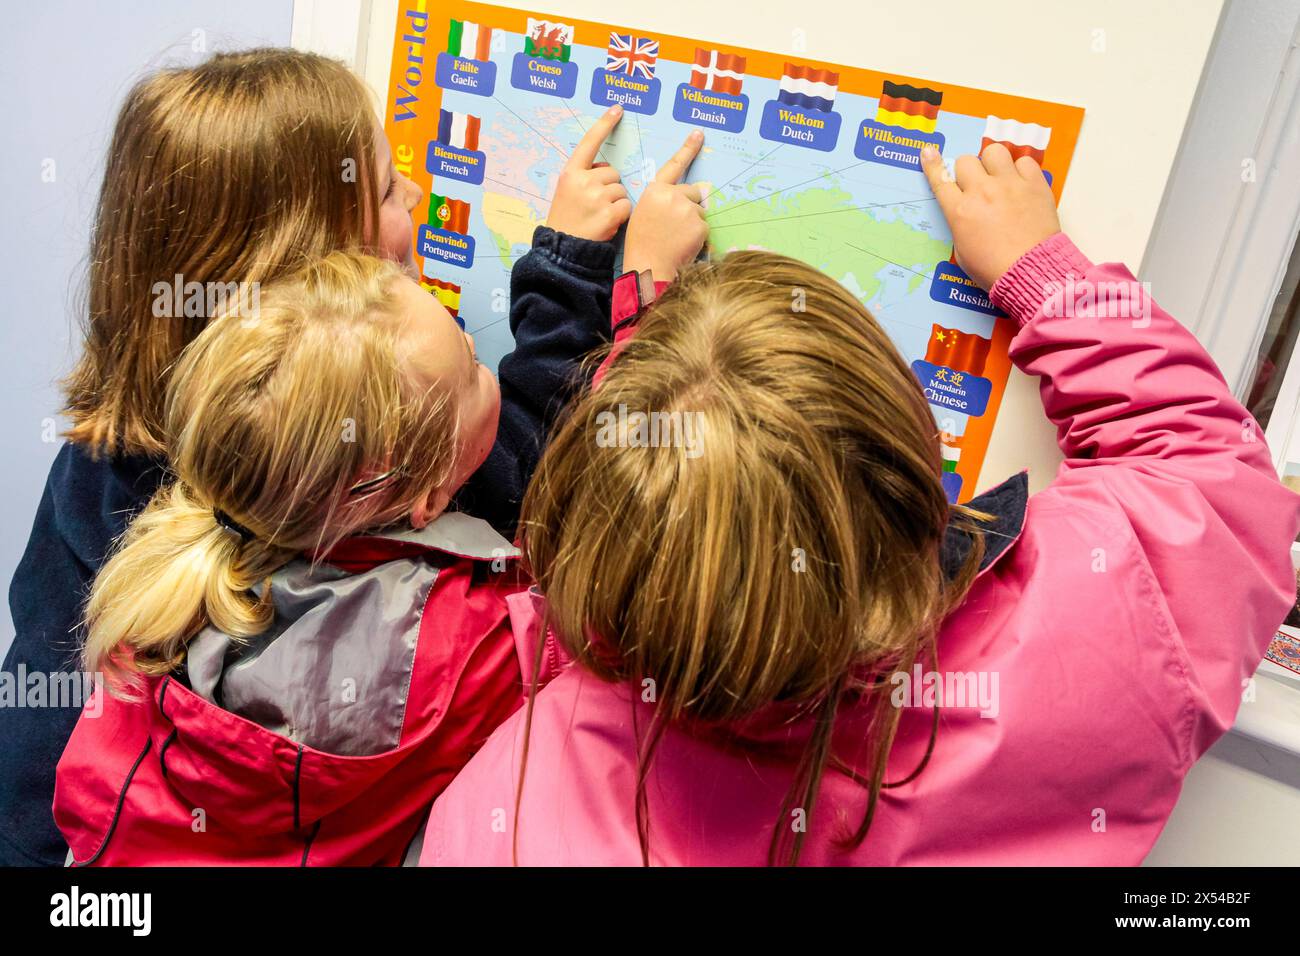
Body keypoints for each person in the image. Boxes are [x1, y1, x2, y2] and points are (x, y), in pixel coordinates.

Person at [419, 142, 1300, 865]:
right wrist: (1049, 279)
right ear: (910, 452)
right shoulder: (1102, 633)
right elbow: (1208, 461)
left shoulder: (510, 809)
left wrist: (646, 330)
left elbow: (675, 498)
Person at [2, 48, 623, 866]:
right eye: (393, 189)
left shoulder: (97, 459)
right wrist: (576, 268)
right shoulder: (374, 490)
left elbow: (33, 780)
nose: (417, 201)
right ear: (323, 272)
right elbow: (524, 448)